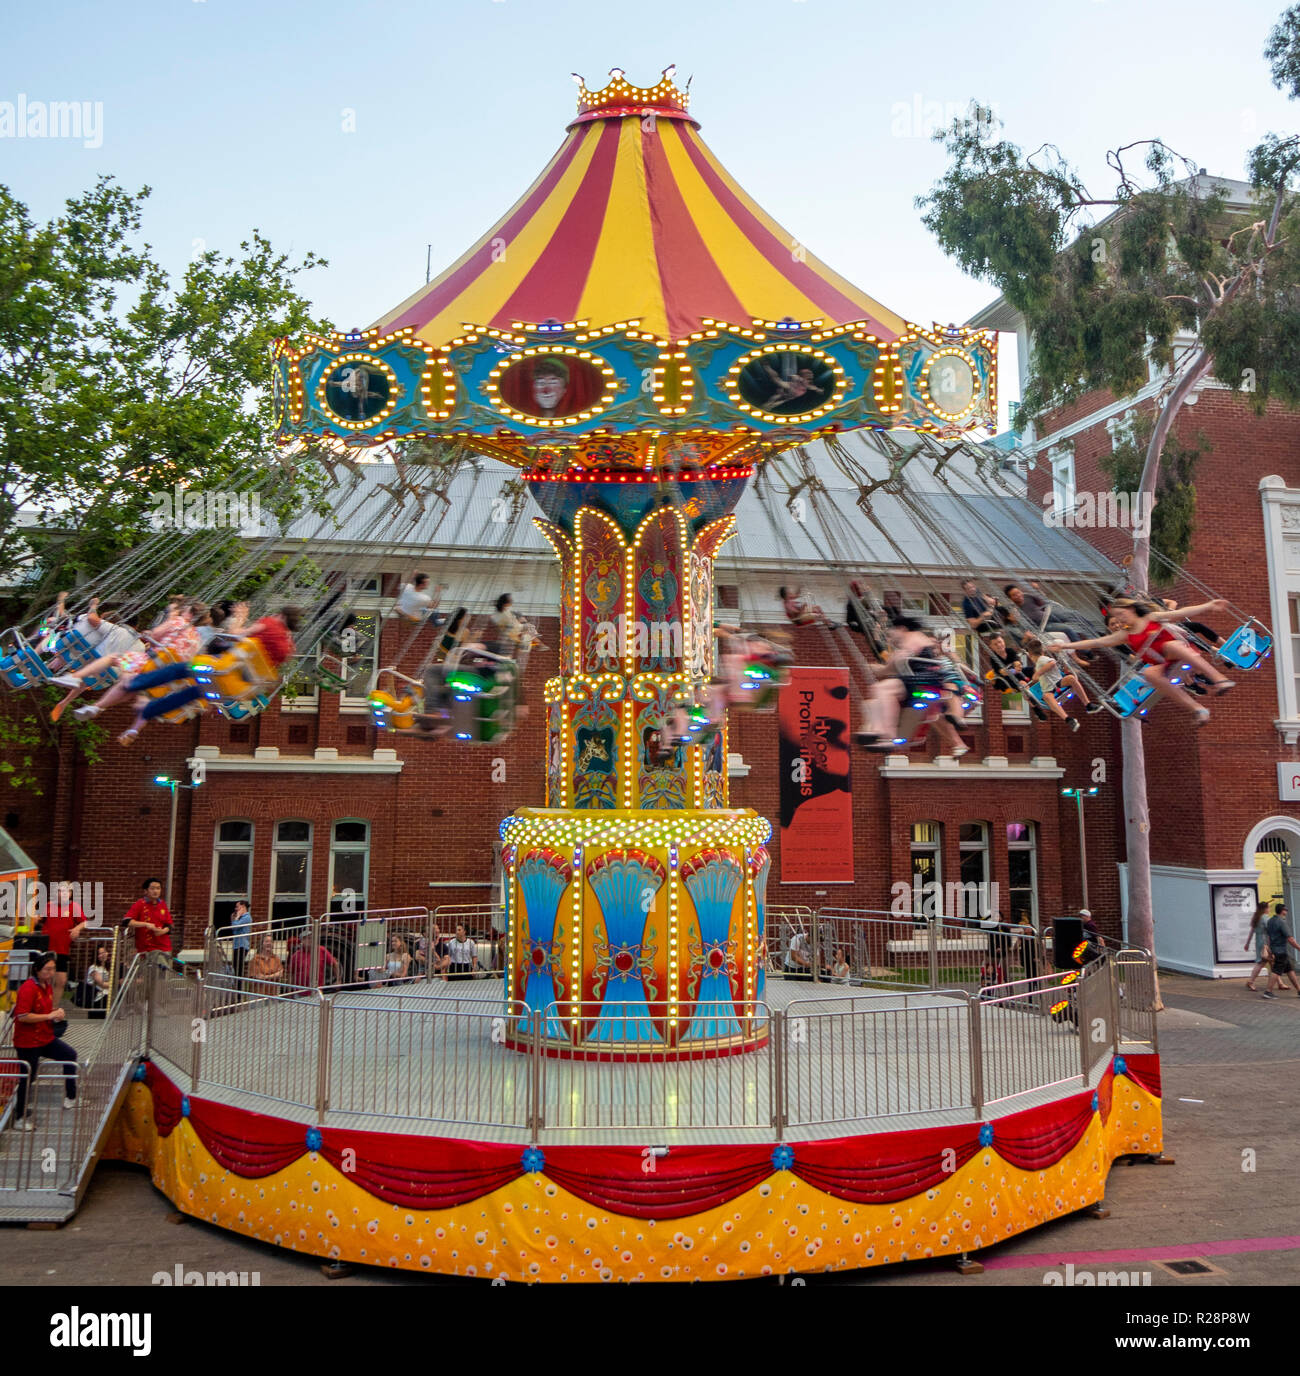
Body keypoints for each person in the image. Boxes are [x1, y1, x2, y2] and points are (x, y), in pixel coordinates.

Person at [1065, 597, 1234, 725]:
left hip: (1177, 650)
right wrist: (1066, 646)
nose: (1120, 620)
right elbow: (1096, 642)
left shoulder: (1150, 618)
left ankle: (1220, 679)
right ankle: (1198, 709)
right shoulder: (1125, 636)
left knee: (1171, 645)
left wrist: (1209, 605)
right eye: (1115, 618)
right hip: (1162, 663)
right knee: (1148, 673)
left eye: (1121, 615)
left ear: (1131, 609)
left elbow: (1180, 613)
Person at [10, 952, 77, 1127]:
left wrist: (56, 1016)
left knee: (70, 1055)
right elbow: (22, 1016)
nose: (51, 972)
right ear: (38, 970)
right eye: (47, 969)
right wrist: (49, 1015)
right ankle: (19, 1117)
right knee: (27, 1077)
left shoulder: (46, 986)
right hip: (28, 1041)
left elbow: (45, 1012)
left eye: (53, 969)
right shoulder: (28, 988)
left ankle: (71, 1097)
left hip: (45, 1037)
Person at [1021, 632, 1098, 731]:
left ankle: (1087, 705)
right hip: (1051, 687)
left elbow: (1052, 663)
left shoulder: (1041, 659)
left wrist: (1038, 673)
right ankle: (1071, 717)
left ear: (1031, 655)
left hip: (1056, 683)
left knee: (1070, 679)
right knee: (1047, 696)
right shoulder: (1038, 663)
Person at [35, 880, 88, 1004]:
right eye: (59, 891)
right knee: (45, 979)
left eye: (65, 891)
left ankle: (53, 1008)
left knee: (61, 981)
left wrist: (77, 928)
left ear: (70, 893)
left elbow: (85, 922)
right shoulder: (48, 905)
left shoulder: (73, 906)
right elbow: (38, 919)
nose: (61, 893)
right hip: (46, 949)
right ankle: (42, 1007)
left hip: (62, 949)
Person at [122, 878, 173, 958]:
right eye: (152, 888)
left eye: (158, 888)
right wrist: (146, 924)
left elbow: (169, 925)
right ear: (146, 891)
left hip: (164, 947)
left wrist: (162, 931)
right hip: (147, 950)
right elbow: (126, 921)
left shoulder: (162, 904)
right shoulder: (140, 904)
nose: (155, 891)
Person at [1261, 902, 1300, 998]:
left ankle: (1299, 990)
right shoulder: (1282, 922)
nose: (1286, 911)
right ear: (1283, 911)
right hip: (1281, 950)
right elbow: (1290, 938)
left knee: (1290, 970)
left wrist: (1269, 949)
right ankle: (1268, 992)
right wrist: (1299, 948)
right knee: (1276, 971)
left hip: (1275, 949)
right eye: (1286, 910)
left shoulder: (1270, 921)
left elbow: (1268, 936)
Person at [1244, 899, 1274, 991]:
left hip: (1258, 941)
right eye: (1268, 908)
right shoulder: (1265, 918)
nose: (1269, 909)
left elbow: (1251, 932)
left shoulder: (1256, 917)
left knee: (1272, 962)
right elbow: (1270, 931)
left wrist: (1247, 943)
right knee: (1261, 962)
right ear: (1265, 909)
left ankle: (1279, 983)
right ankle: (1251, 982)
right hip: (1265, 942)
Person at [83, 944, 112, 1012]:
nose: (103, 955)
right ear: (96, 956)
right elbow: (101, 983)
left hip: (106, 996)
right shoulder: (93, 968)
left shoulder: (106, 968)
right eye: (100, 953)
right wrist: (114, 984)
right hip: (98, 998)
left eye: (104, 952)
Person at [229, 899, 252, 980]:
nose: (236, 909)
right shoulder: (241, 918)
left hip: (242, 945)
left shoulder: (247, 917)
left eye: (237, 907)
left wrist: (237, 917)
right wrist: (235, 919)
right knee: (235, 966)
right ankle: (236, 986)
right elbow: (234, 930)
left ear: (243, 907)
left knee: (238, 967)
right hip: (237, 945)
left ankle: (238, 989)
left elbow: (235, 926)